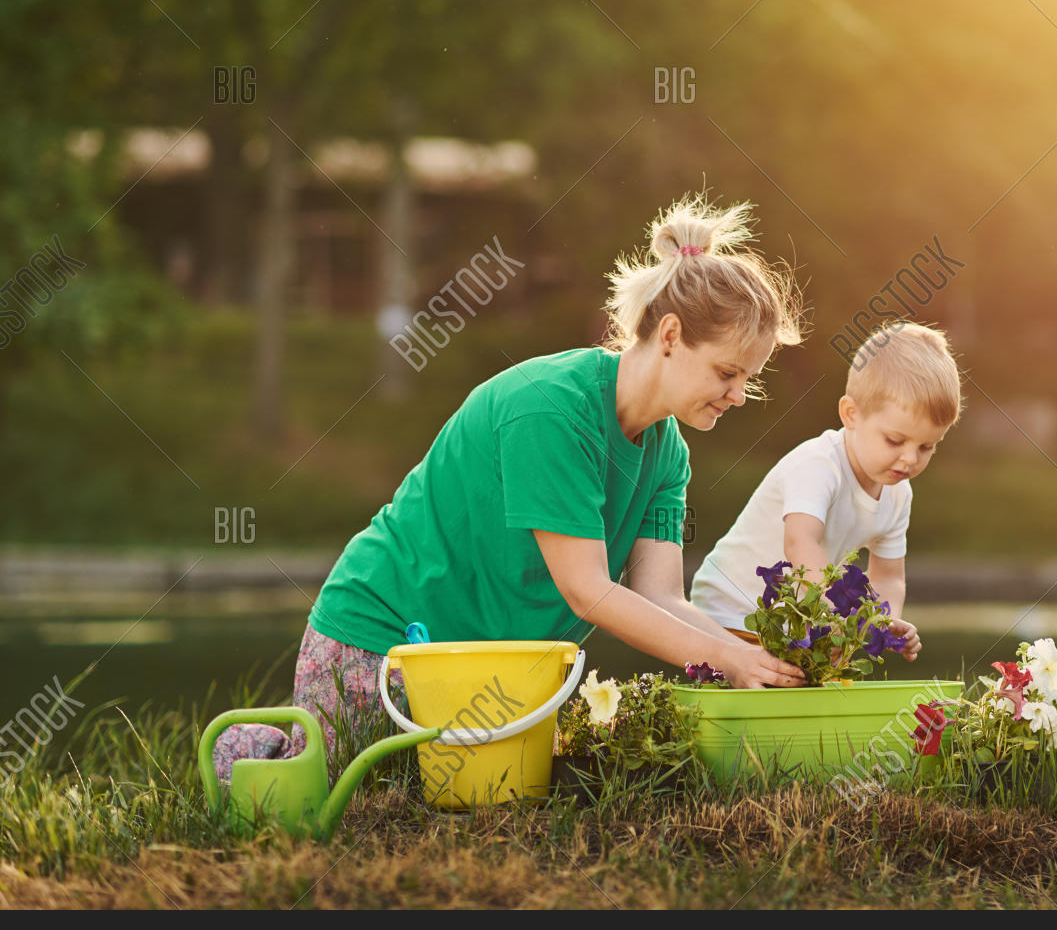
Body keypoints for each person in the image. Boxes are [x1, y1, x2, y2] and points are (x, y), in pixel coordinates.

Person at [213, 194, 809, 785]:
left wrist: (759, 659)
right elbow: (589, 592)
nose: (736, 395)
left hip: (490, 675)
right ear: (672, 334)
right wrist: (728, 661)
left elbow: (662, 597)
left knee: (489, 802)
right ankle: (248, 754)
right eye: (727, 373)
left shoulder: (668, 452)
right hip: (383, 646)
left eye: (747, 381)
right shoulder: (552, 410)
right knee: (342, 794)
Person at [690, 322, 963, 660]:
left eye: (927, 447)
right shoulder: (819, 465)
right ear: (850, 414)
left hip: (796, 622)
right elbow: (800, 542)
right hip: (728, 614)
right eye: (895, 440)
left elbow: (889, 576)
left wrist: (884, 622)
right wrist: (837, 616)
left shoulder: (898, 493)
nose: (909, 459)